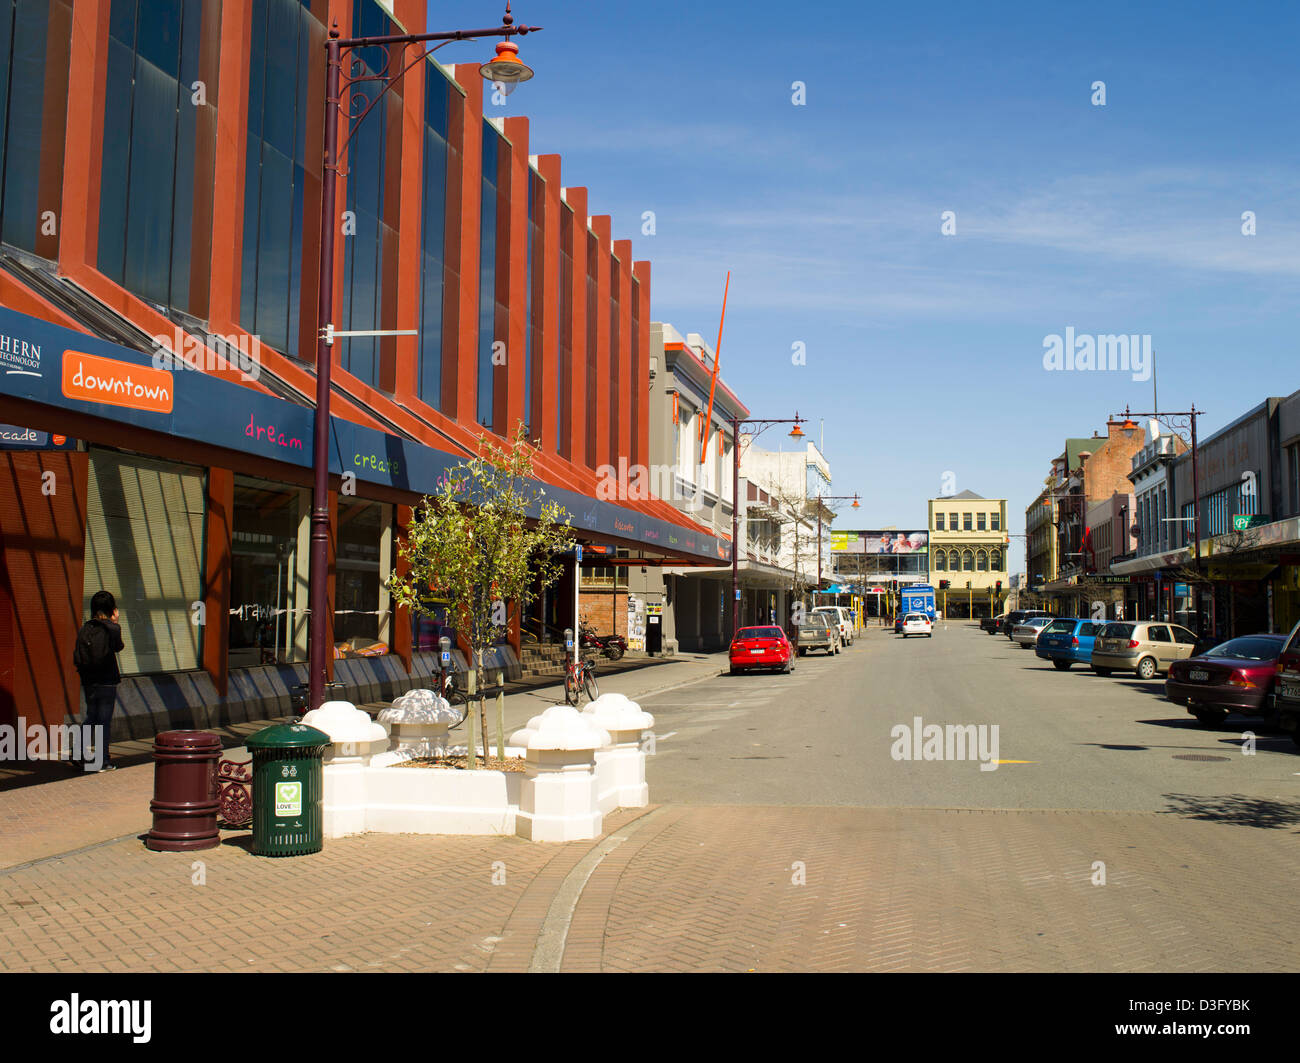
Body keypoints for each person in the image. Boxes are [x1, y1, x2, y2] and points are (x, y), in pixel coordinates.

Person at [73, 590, 124, 772]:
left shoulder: (86, 628)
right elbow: (119, 647)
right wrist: (114, 622)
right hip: (107, 681)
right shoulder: (112, 628)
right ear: (112, 609)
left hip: (89, 681)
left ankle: (78, 752)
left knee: (92, 716)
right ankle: (102, 761)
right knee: (103, 721)